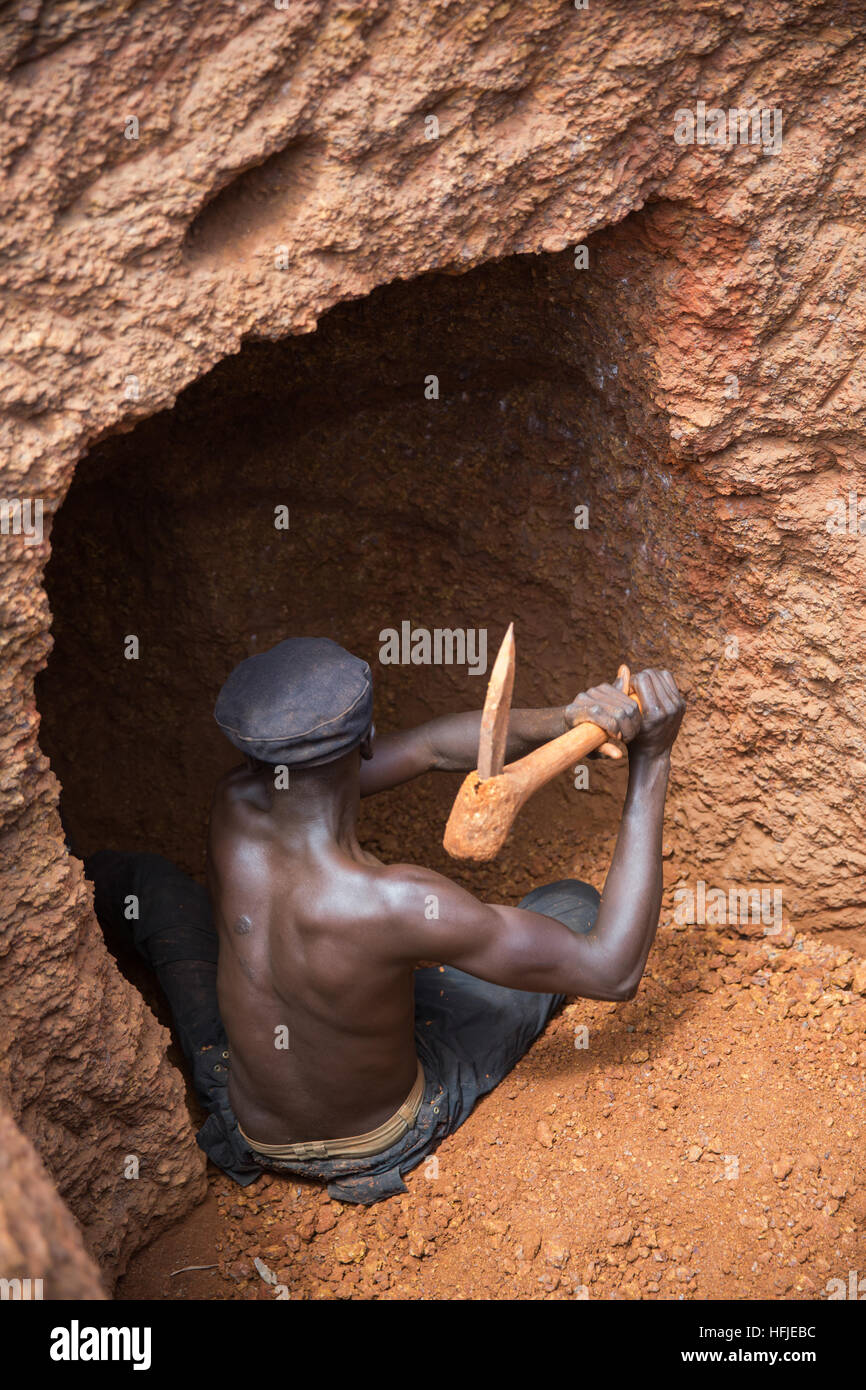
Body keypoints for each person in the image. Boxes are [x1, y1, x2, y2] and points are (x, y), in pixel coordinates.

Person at [86, 637, 684, 1203]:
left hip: (247, 1114)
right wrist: (651, 760)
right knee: (573, 903)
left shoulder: (233, 803)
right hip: (375, 1137)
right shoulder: (398, 903)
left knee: (148, 884)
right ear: (368, 738)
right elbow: (613, 972)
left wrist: (568, 721)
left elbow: (428, 748)